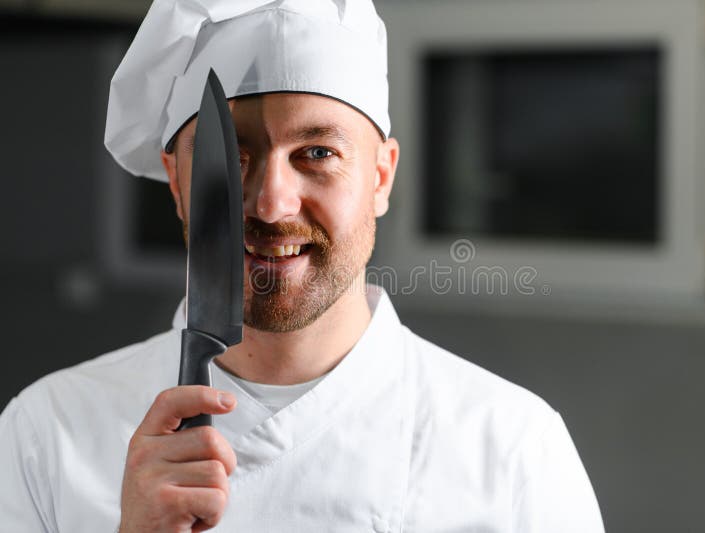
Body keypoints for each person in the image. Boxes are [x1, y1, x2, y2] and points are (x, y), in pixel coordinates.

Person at [0, 0, 604, 531]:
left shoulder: (514, 452)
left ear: (380, 177)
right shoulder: (47, 435)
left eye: (317, 152)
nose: (271, 202)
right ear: (178, 183)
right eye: (231, 156)